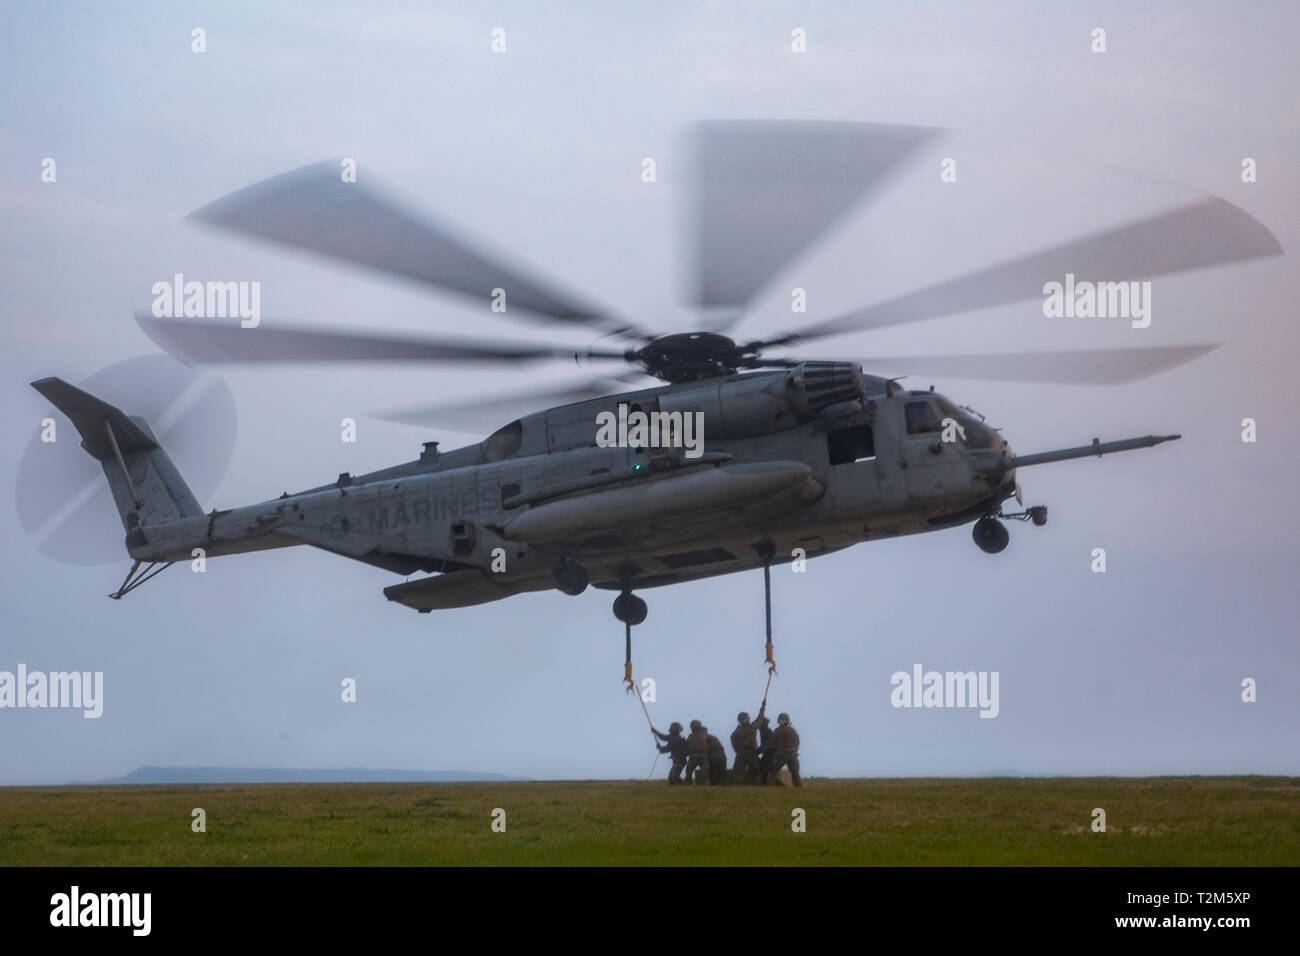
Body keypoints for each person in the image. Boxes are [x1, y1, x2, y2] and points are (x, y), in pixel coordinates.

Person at [730, 703, 766, 784]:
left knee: (738, 771)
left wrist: (738, 751)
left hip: (741, 753)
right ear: (745, 719)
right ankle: (758, 786)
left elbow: (733, 741)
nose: (749, 718)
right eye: (747, 717)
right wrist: (763, 707)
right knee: (755, 771)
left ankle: (736, 786)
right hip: (750, 752)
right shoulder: (751, 727)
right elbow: (760, 719)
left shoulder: (736, 731)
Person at [766, 712, 801, 787]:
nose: (780, 721)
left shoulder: (778, 731)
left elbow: (770, 742)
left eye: (782, 720)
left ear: (786, 721)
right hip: (787, 754)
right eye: (780, 719)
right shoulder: (791, 730)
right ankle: (769, 786)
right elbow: (797, 742)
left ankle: (798, 787)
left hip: (783, 754)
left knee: (773, 770)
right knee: (773, 770)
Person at [684, 719, 710, 785]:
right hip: (702, 756)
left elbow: (686, 746)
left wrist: (685, 753)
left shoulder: (691, 736)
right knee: (704, 770)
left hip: (695, 756)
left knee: (689, 771)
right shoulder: (704, 734)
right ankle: (703, 783)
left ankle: (688, 783)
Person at [754, 713, 776, 783]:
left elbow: (767, 744)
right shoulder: (763, 731)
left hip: (771, 753)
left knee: (764, 767)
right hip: (767, 752)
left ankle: (765, 782)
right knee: (763, 766)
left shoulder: (767, 732)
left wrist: (758, 751)